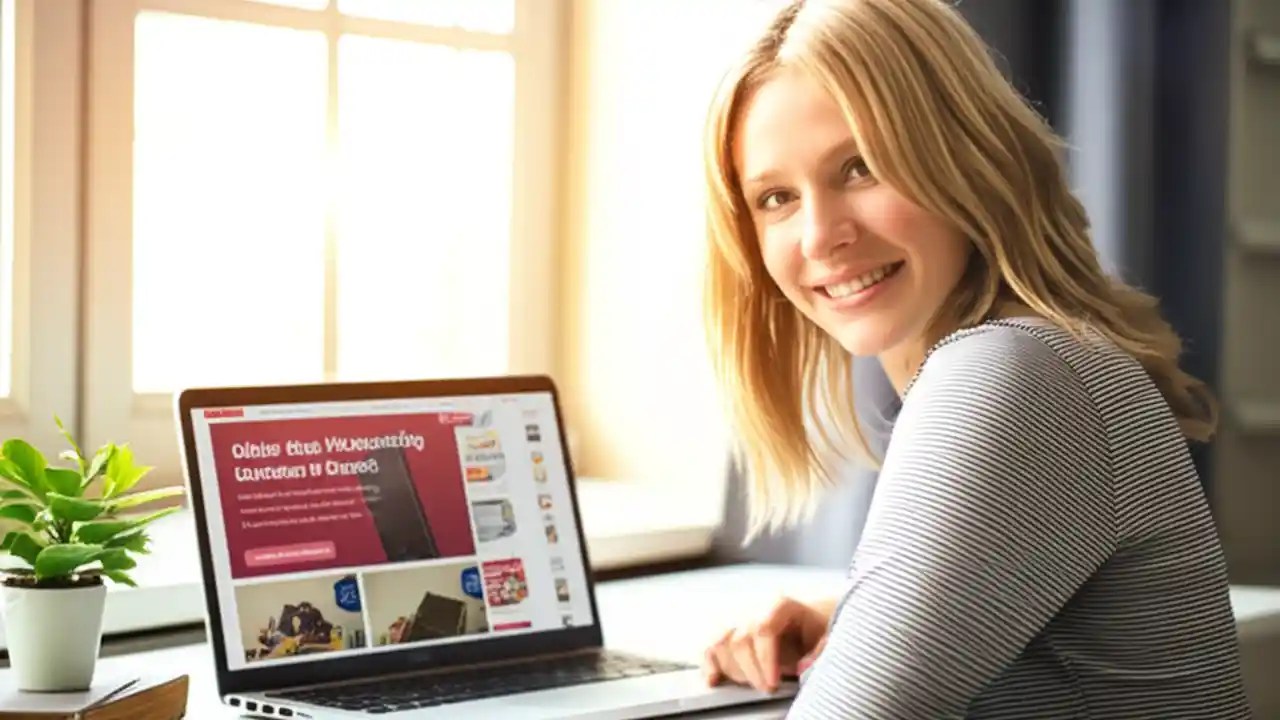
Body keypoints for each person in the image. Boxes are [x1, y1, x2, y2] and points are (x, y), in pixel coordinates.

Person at [698, 0, 1251, 717]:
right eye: (776, 197)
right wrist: (856, 617)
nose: (819, 236)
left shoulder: (1014, 374)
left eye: (860, 167)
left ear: (961, 156)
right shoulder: (1048, 357)